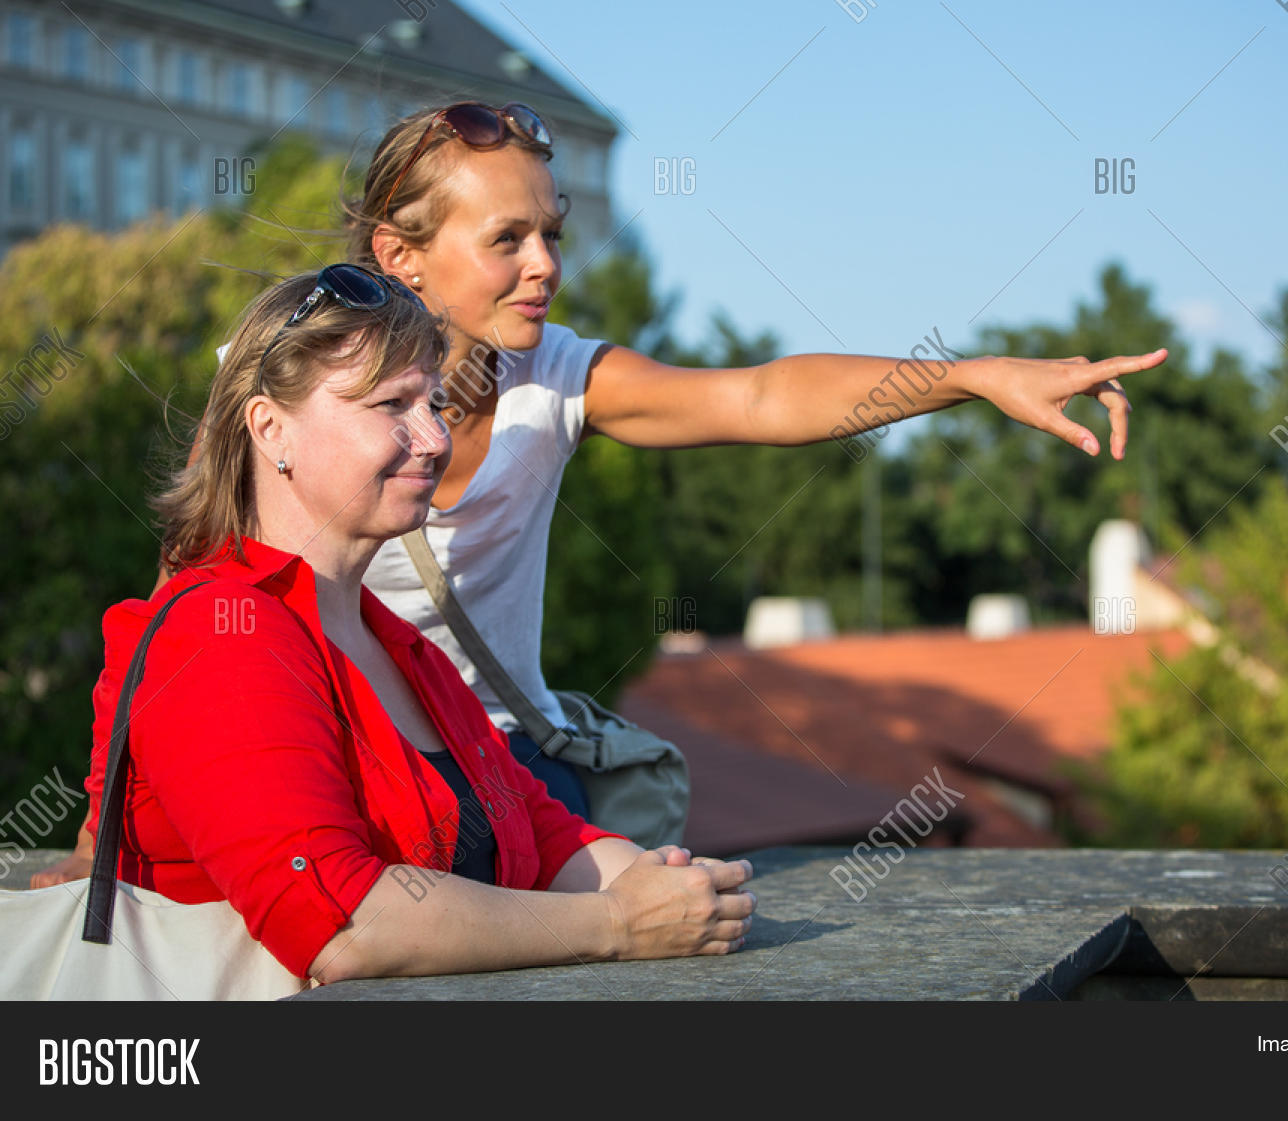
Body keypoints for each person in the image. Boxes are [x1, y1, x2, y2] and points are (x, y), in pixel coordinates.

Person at [33, 100, 1167, 887]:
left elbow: (763, 398)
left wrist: (967, 376)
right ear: (402, 254)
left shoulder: (555, 373)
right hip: (343, 768)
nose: (546, 265)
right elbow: (185, 597)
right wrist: (102, 825)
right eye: (508, 238)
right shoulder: (306, 387)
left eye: (551, 234)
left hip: (497, 776)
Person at [74, 267, 754, 983]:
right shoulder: (222, 631)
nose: (434, 439)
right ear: (272, 428)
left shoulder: (402, 648)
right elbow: (341, 923)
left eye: (432, 401)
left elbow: (540, 832)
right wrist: (616, 924)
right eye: (392, 403)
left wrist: (676, 887)